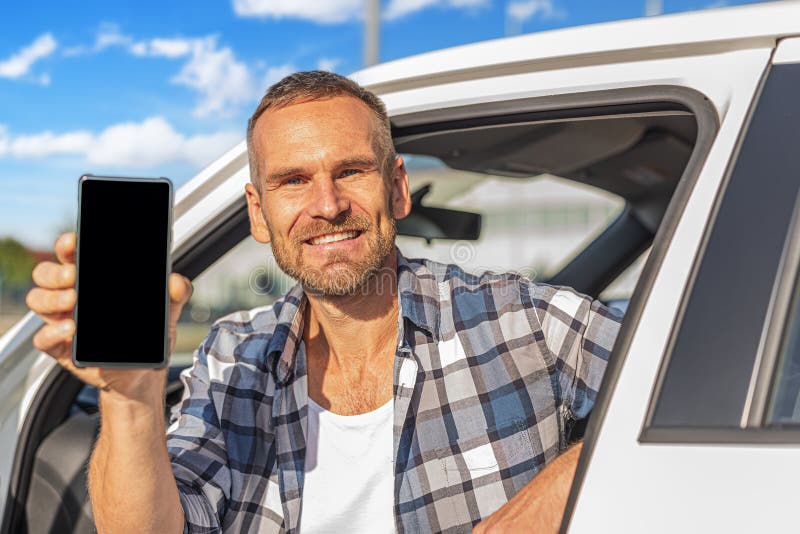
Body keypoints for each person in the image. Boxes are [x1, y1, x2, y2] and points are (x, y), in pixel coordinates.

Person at [26, 71, 622, 534]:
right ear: (259, 214)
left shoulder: (525, 321)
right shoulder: (233, 357)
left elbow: (699, 389)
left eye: (352, 171)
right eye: (293, 181)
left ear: (397, 187)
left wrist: (546, 503)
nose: (328, 204)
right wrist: (131, 396)